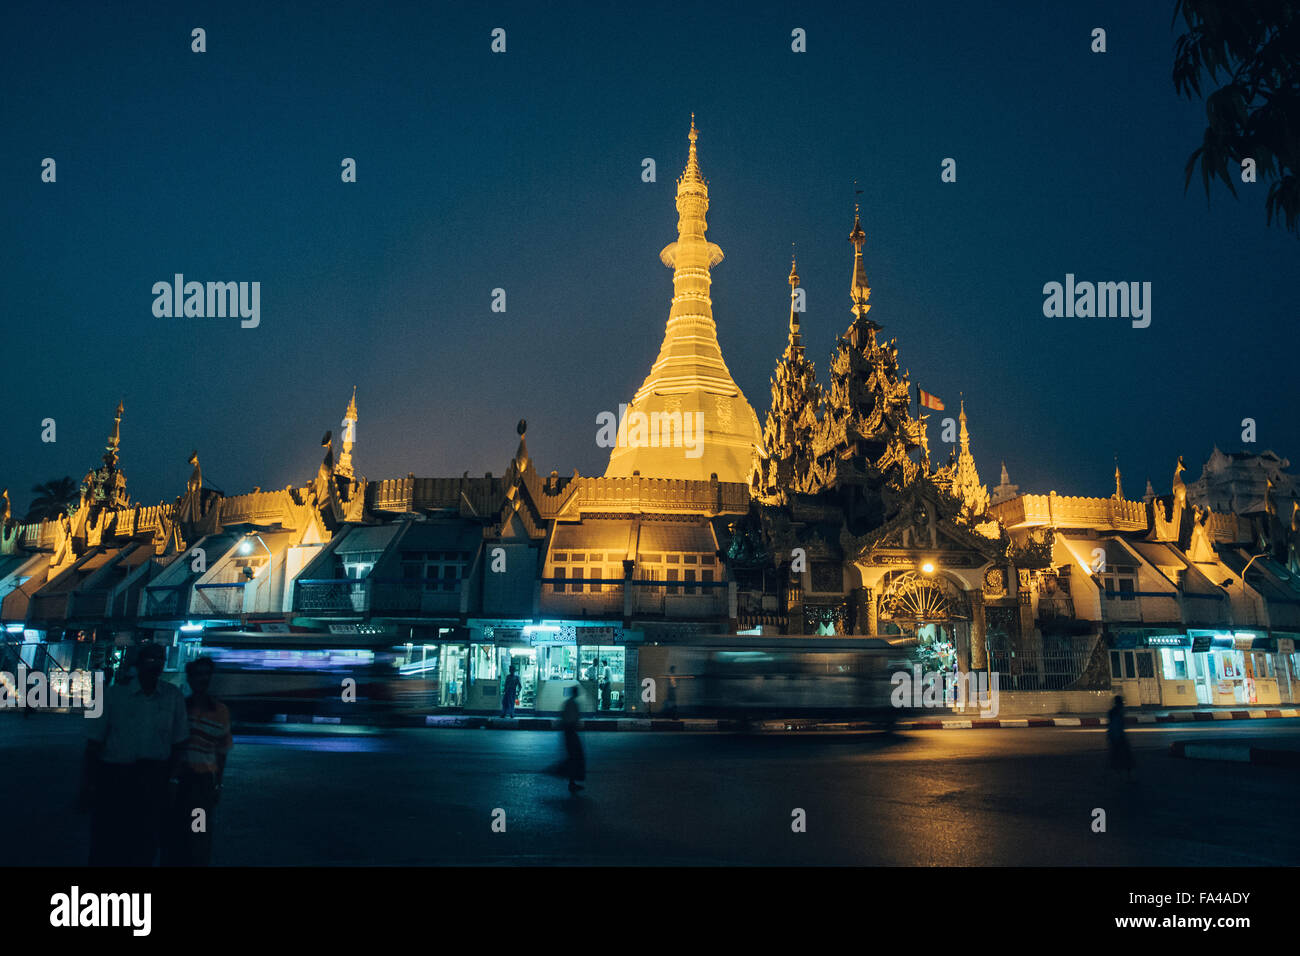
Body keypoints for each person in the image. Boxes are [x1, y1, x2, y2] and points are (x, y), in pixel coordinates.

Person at [79, 642, 189, 866]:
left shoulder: (172, 697)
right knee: (107, 840)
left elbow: (179, 742)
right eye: (150, 660)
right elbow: (94, 742)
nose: (155, 665)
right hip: (115, 776)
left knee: (145, 841)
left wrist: (173, 781)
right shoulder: (113, 696)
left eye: (159, 660)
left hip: (152, 777)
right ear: (138, 664)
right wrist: (88, 783)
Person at [162, 656, 232, 866]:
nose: (203, 679)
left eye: (207, 674)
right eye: (198, 674)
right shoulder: (181, 707)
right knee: (175, 835)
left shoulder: (220, 711)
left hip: (202, 785)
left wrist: (217, 783)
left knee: (198, 834)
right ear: (191, 679)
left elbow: (221, 752)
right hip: (179, 783)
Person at [560, 686, 585, 792]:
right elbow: (573, 719)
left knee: (573, 757)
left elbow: (564, 717)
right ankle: (572, 782)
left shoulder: (568, 703)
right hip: (571, 732)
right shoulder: (573, 703)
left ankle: (572, 782)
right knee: (575, 757)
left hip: (568, 732)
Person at [1107, 694, 1134, 778]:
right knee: (1126, 756)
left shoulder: (1113, 712)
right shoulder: (1117, 712)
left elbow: (1111, 725)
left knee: (1117, 756)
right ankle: (1126, 774)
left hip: (1115, 736)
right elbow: (1116, 725)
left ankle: (1119, 773)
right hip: (1118, 737)